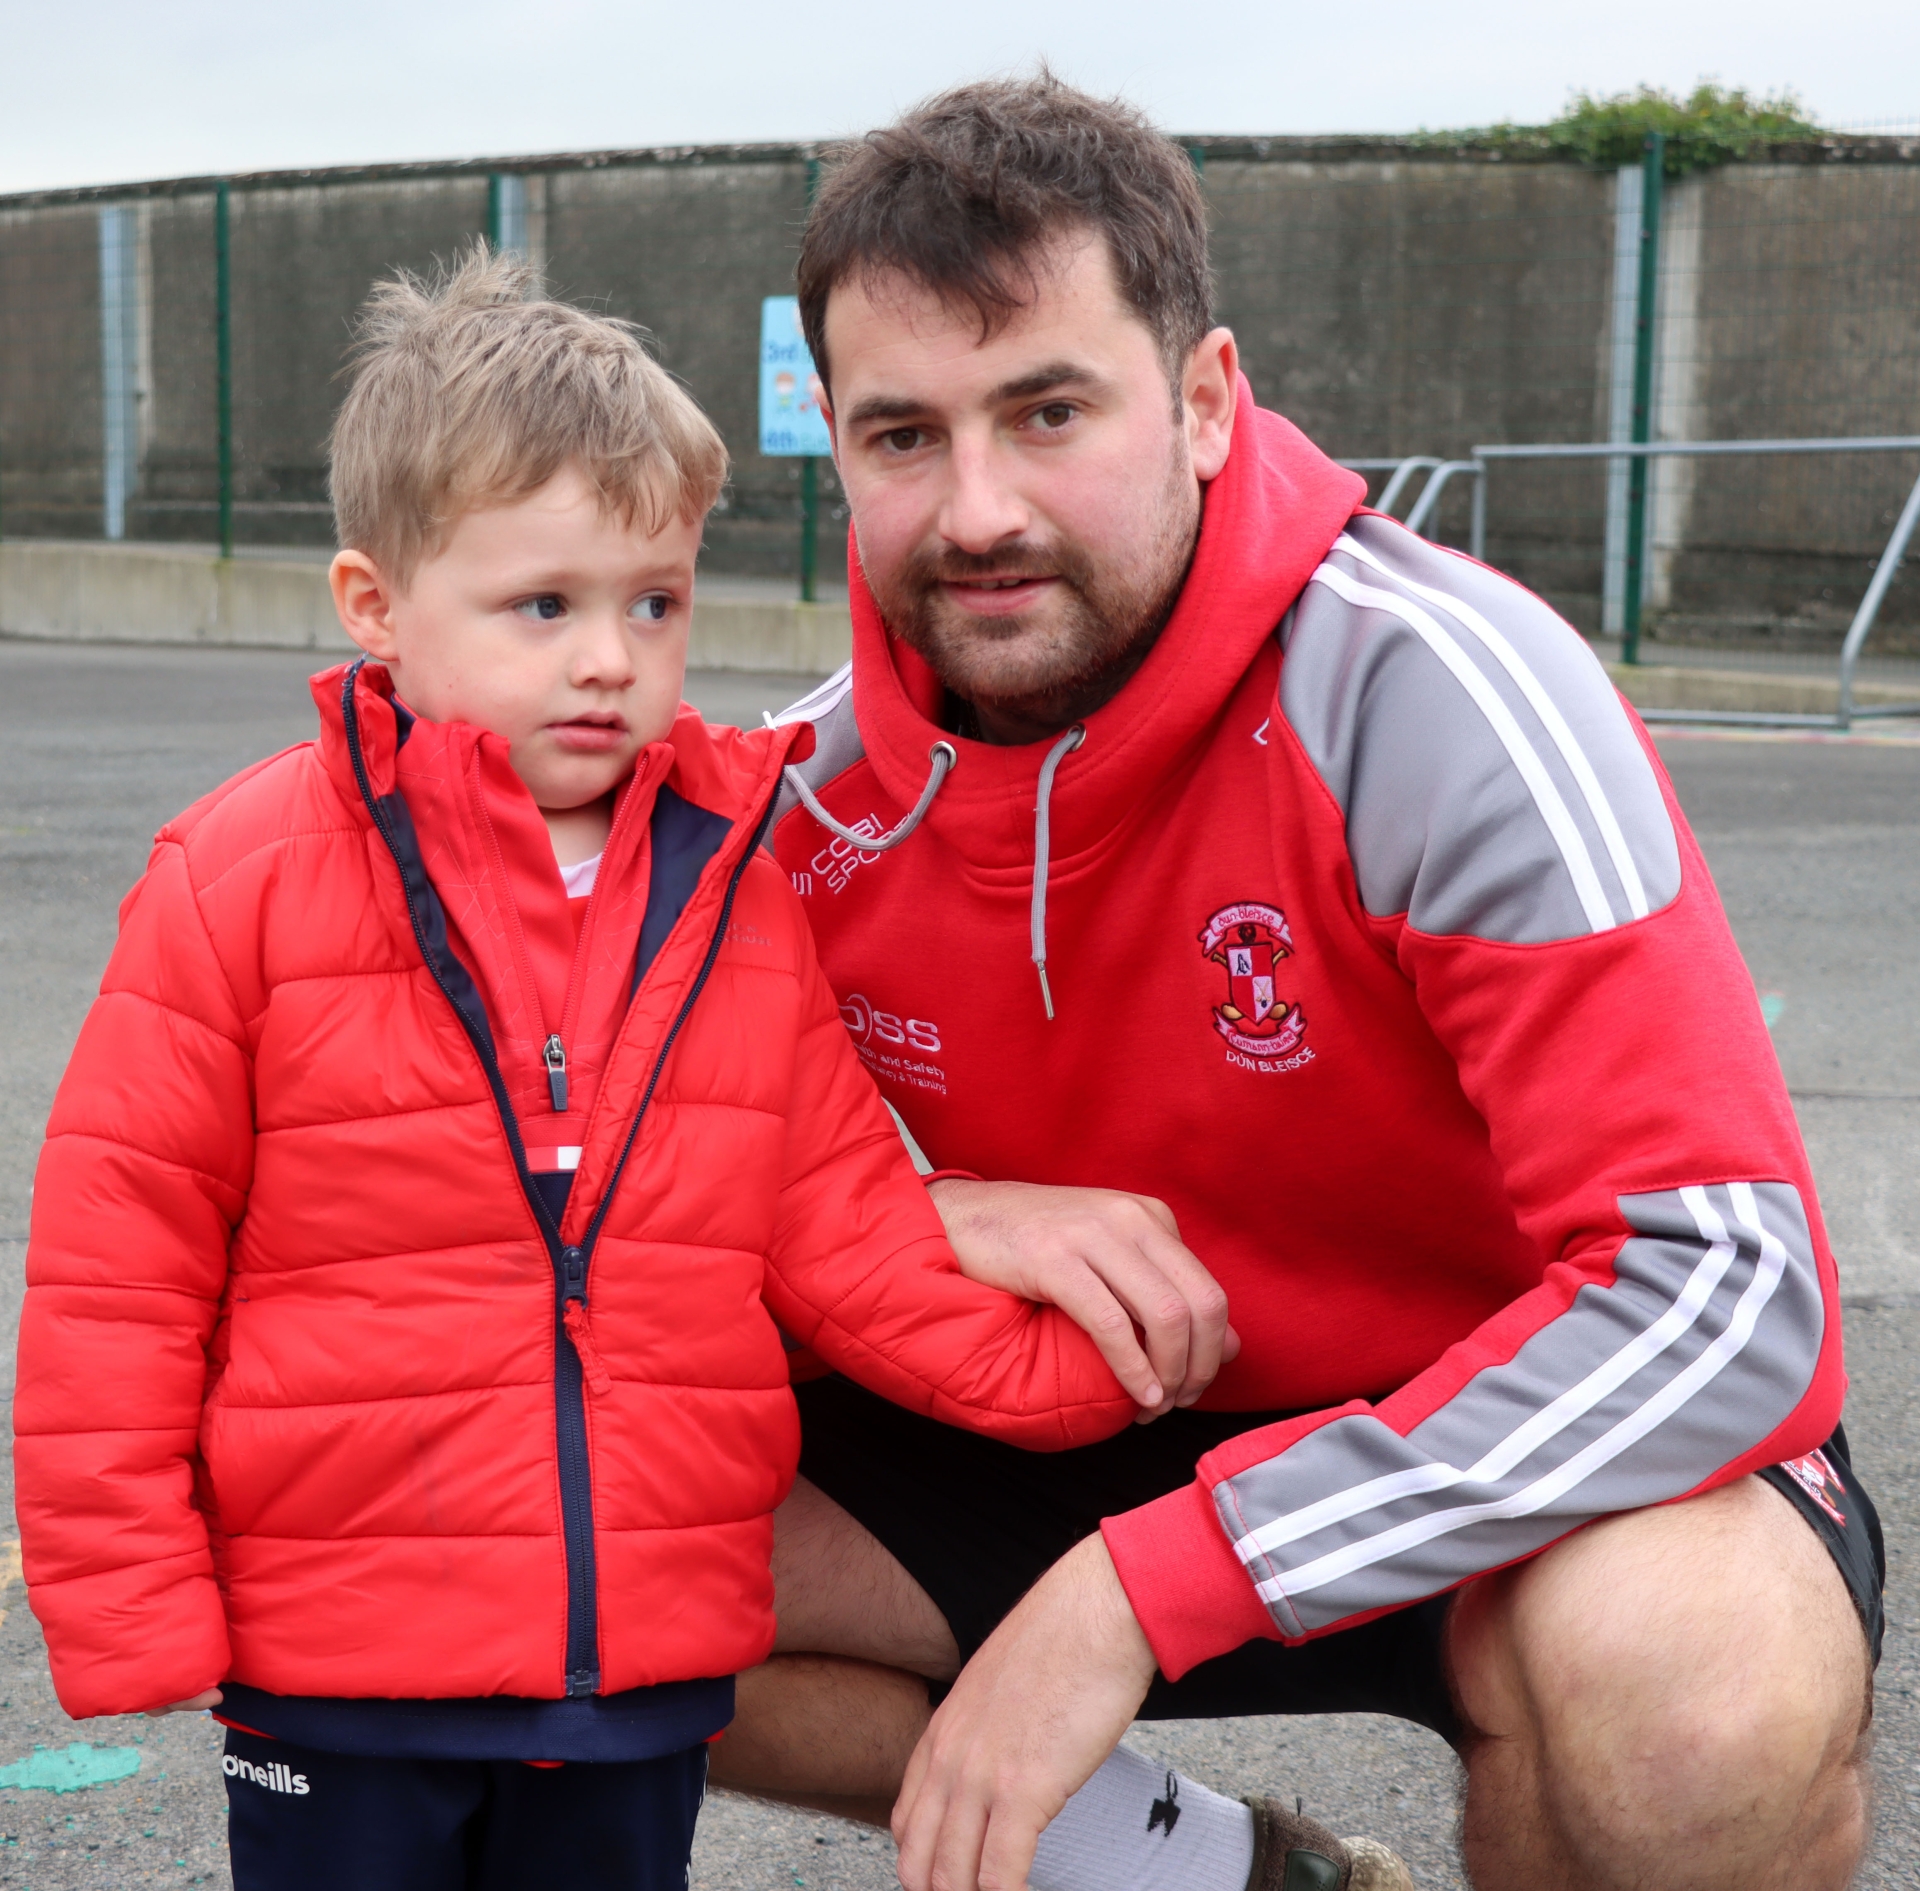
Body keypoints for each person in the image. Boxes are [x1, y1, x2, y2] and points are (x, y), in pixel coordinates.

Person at [714, 76, 1884, 1891]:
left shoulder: (1435, 697)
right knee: (530, 1555)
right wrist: (923, 1212)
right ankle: (1218, 1876)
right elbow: (563, 1220)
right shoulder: (789, 799)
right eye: (902, 437)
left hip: (1504, 1445)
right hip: (1081, 1420)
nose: (977, 510)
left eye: (1048, 410)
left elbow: (1727, 1291)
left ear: (1201, 402)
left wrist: (1145, 1585)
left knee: (1696, 1699)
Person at [11, 249, 1151, 1891]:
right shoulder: (241, 878)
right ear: (376, 607)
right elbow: (120, 1274)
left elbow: (844, 1228)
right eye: (545, 606)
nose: (611, 657)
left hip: (633, 1655)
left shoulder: (730, 886)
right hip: (341, 1664)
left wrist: (1103, 1380)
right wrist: (127, 1599)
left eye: (655, 602)